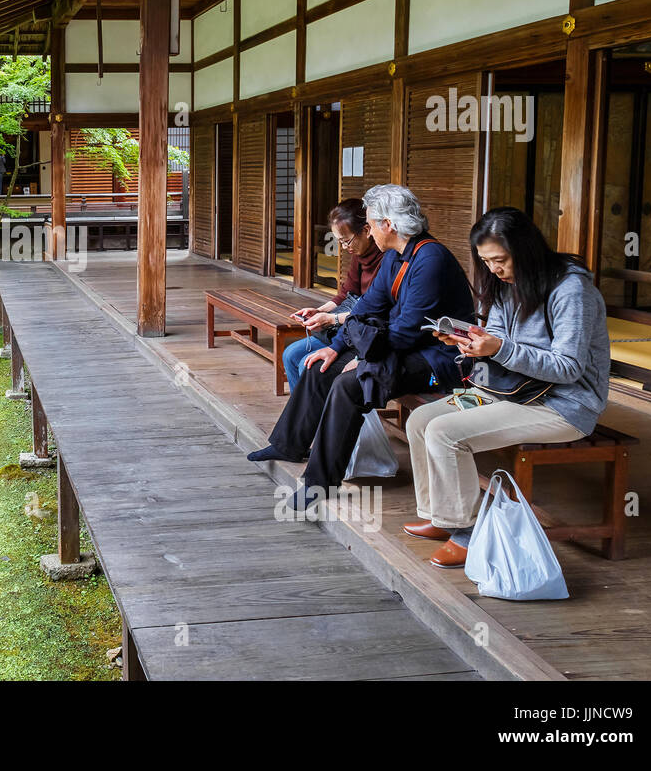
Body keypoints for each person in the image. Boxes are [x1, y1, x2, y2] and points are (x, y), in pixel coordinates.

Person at [402, 207, 611, 568]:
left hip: (563, 404)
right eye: (486, 261)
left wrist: (499, 348)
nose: (494, 269)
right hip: (513, 389)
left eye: (499, 260)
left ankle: (466, 531)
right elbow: (497, 339)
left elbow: (569, 367)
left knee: (445, 432)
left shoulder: (571, 290)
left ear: (526, 250)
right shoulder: (504, 285)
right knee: (420, 421)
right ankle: (442, 515)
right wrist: (469, 341)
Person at [248, 184, 476, 512]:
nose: (368, 229)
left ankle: (319, 484)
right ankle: (289, 444)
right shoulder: (398, 256)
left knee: (349, 384)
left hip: (437, 357)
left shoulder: (430, 258)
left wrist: (364, 357)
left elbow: (409, 331)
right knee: (321, 364)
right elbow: (369, 306)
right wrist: (337, 347)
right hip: (402, 348)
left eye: (370, 223)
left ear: (388, 225)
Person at [283, 198, 384, 391]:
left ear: (366, 230)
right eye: (340, 241)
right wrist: (318, 310)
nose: (345, 247)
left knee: (308, 363)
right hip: (347, 326)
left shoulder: (387, 260)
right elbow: (346, 294)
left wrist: (331, 319)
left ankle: (319, 416)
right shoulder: (360, 255)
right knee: (290, 354)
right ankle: (304, 417)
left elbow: (375, 311)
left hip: (365, 332)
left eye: (347, 240)